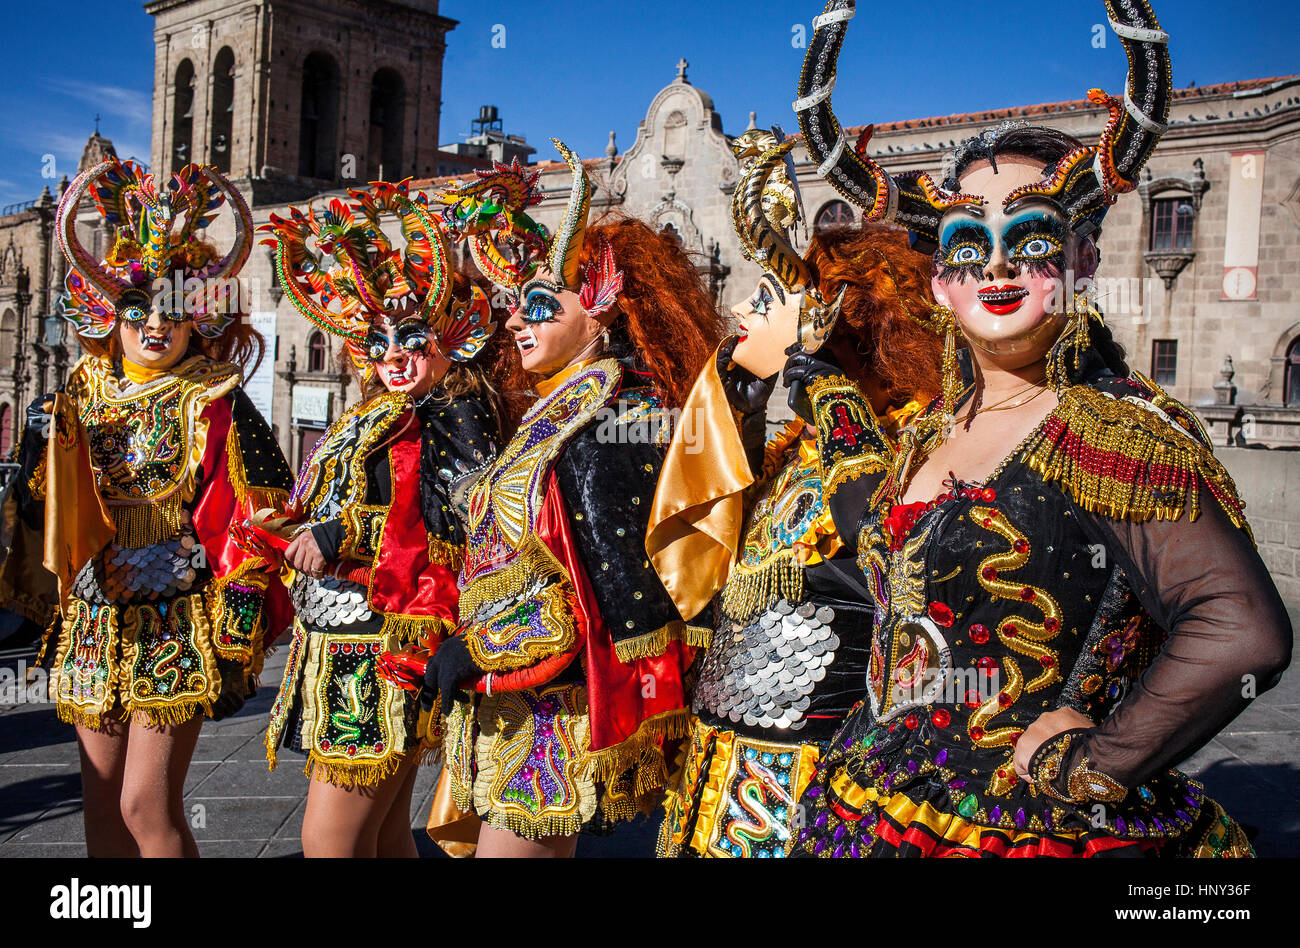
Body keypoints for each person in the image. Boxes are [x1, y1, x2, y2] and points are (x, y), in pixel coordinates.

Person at [784, 0, 1292, 857]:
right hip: (869, 801)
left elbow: (1240, 629)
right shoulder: (927, 433)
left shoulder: (1107, 431)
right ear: (939, 283)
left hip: (1024, 827)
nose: (996, 266)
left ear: (1082, 259)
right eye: (963, 243)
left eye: (1029, 238)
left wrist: (1097, 760)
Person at [422, 142, 726, 857]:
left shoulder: (613, 416)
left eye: (537, 306)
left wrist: (482, 647)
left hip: (552, 705)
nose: (515, 323)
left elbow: (603, 580)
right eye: (512, 309)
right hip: (510, 700)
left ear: (599, 309)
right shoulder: (561, 407)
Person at [648, 126, 945, 857]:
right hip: (723, 756)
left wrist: (837, 403)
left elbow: (891, 549)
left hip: (816, 773)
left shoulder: (919, 443)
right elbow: (710, 512)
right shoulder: (795, 448)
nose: (751, 317)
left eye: (772, 300)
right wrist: (743, 394)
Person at [0, 158, 293, 857]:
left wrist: (236, 634)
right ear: (112, 316)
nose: (157, 323)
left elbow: (258, 518)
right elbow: (42, 517)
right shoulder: (77, 393)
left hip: (175, 624)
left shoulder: (214, 398)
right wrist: (46, 448)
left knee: (144, 808)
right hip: (95, 620)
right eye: (140, 308)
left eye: (175, 307)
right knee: (101, 811)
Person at [259, 181, 501, 857]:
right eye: (378, 338)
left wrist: (339, 536)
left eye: (413, 336)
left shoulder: (452, 414)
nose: (393, 353)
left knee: (330, 844)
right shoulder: (383, 410)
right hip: (342, 639)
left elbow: (448, 523)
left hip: (377, 648)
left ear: (457, 333)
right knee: (384, 835)